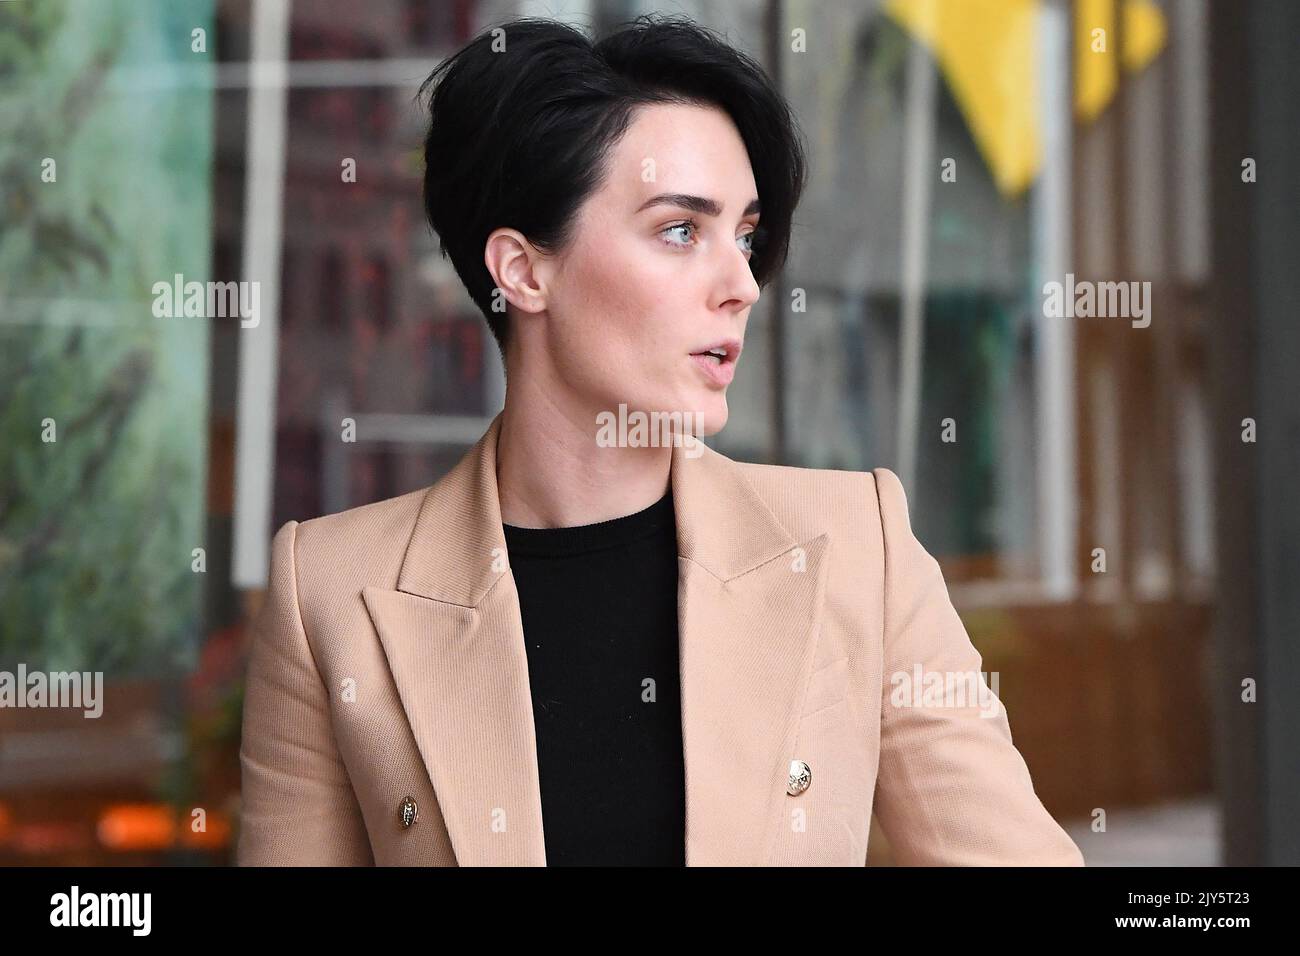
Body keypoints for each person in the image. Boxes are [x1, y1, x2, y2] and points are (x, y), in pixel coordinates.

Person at [236, 13, 1084, 867]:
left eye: (746, 237)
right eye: (682, 230)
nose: (742, 284)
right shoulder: (332, 595)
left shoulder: (857, 547)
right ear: (524, 271)